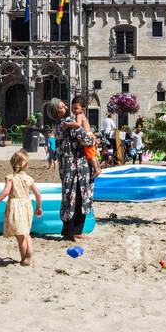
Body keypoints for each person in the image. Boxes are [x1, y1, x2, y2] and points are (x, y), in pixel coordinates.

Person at [50, 96, 96, 242]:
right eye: (62, 107)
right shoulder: (70, 123)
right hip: (77, 165)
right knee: (78, 196)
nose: (65, 108)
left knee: (68, 195)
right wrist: (79, 127)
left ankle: (72, 231)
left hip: (65, 166)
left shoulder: (56, 125)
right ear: (56, 112)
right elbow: (88, 141)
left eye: (65, 106)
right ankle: (71, 231)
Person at [0, 149, 43, 266]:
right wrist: (38, 207)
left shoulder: (11, 178)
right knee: (26, 232)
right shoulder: (29, 179)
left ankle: (25, 257)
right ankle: (29, 251)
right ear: (26, 165)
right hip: (27, 206)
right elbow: (38, 194)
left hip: (15, 206)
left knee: (20, 236)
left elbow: (5, 192)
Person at [60, 99, 100, 178]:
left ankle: (97, 169)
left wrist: (68, 124)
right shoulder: (81, 115)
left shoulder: (79, 115)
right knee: (93, 154)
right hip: (90, 135)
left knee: (91, 155)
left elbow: (78, 124)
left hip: (87, 137)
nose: (74, 110)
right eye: (72, 108)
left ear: (83, 109)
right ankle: (97, 168)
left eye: (76, 108)